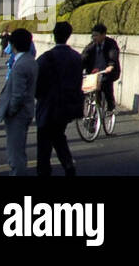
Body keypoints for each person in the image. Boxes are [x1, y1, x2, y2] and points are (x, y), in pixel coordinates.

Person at [35, 22, 83, 177]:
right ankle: (68, 165)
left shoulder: (46, 58)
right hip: (67, 105)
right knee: (58, 135)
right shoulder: (76, 57)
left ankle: (44, 171)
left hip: (48, 104)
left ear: (53, 35)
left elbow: (37, 82)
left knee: (44, 141)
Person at [0, 29, 37, 176]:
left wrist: (10, 111)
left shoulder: (20, 65)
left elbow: (17, 94)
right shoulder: (31, 61)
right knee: (19, 149)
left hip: (18, 114)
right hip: (27, 110)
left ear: (13, 44)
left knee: (15, 152)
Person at [80, 24, 121, 115]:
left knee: (105, 85)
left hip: (108, 71)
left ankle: (111, 106)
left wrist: (111, 65)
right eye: (93, 35)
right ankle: (94, 112)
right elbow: (84, 56)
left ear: (103, 35)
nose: (94, 38)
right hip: (94, 72)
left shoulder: (111, 44)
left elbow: (113, 55)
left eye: (96, 35)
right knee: (89, 88)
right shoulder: (92, 45)